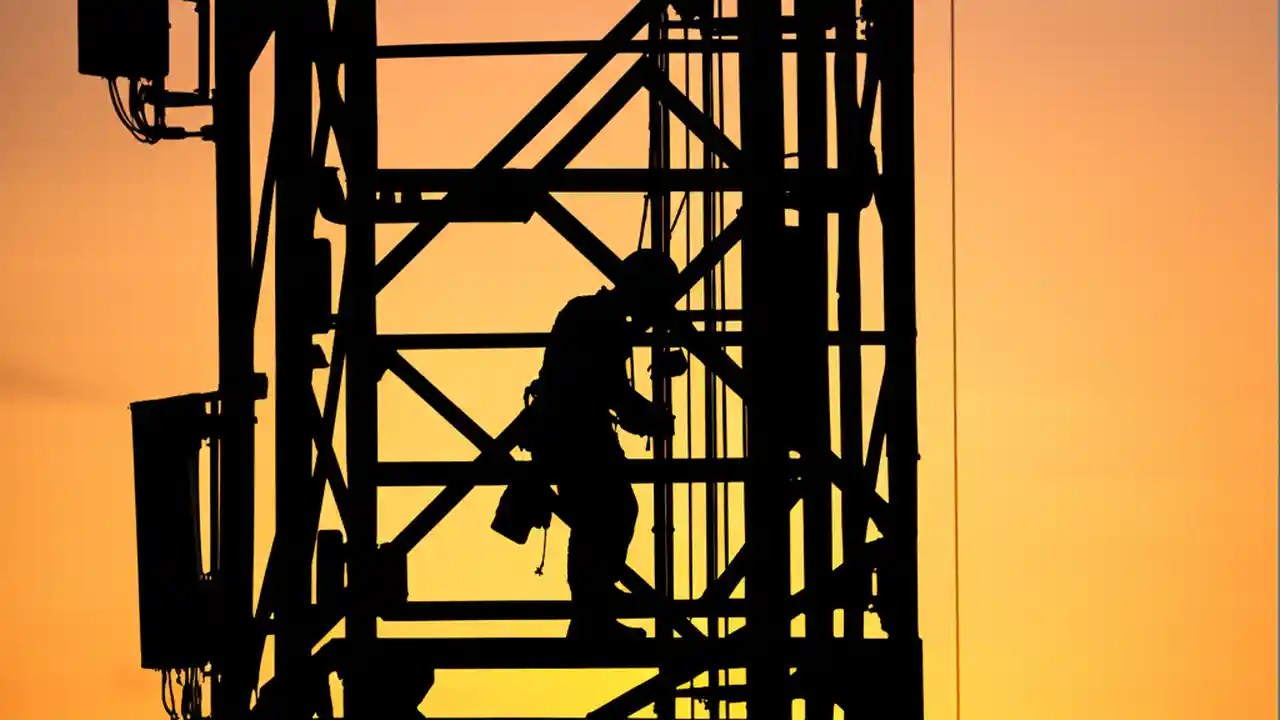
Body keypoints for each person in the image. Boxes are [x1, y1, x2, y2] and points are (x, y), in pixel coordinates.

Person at [521, 249, 683, 641]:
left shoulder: (591, 313)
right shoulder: (601, 321)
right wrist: (651, 419)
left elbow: (606, 389)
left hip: (567, 431)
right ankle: (592, 617)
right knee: (609, 512)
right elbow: (611, 391)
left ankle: (593, 612)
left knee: (598, 515)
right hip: (574, 433)